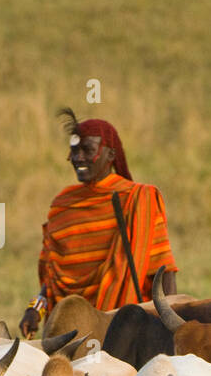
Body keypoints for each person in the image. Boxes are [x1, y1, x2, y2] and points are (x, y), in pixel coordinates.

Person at [20, 109, 176, 337]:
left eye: (87, 150)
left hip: (125, 331)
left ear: (111, 155)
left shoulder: (139, 199)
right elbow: (51, 277)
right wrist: (36, 308)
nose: (78, 158)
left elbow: (164, 271)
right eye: (74, 150)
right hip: (68, 331)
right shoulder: (62, 206)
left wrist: (169, 326)